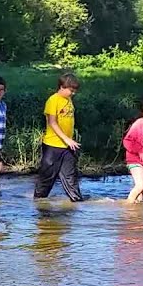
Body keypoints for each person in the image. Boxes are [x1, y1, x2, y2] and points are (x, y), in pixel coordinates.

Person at [34, 72, 84, 202]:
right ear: (62, 87)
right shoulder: (53, 100)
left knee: (71, 177)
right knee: (47, 177)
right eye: (71, 90)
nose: (73, 93)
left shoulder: (68, 100)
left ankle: (77, 202)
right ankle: (39, 202)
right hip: (52, 146)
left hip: (67, 146)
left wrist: (69, 141)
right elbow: (52, 122)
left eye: (74, 91)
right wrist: (66, 139)